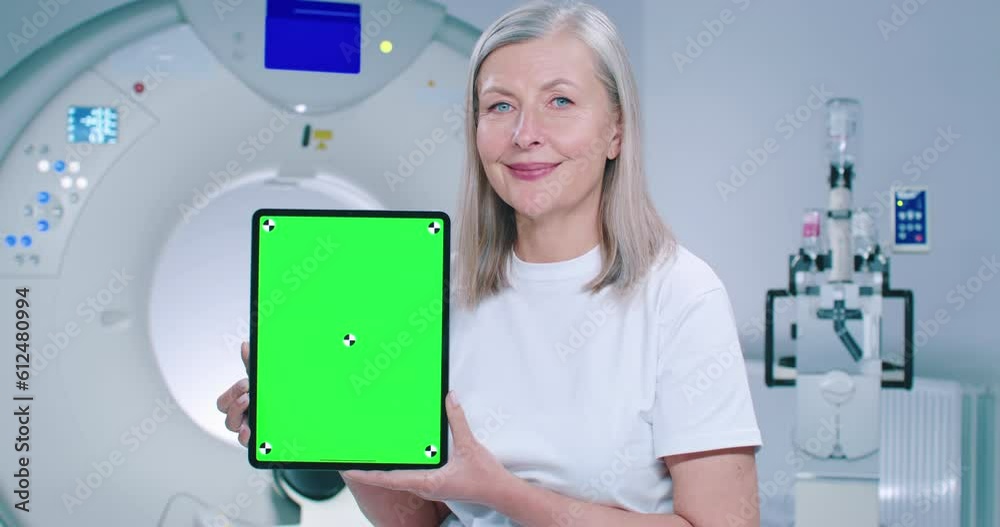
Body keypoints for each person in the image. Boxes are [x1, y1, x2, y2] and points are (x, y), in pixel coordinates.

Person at [217, 1, 762, 525]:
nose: (525, 135)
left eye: (560, 102)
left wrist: (502, 494)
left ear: (616, 130)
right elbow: (418, 520)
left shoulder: (680, 294)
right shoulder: (436, 288)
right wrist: (327, 420)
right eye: (500, 106)